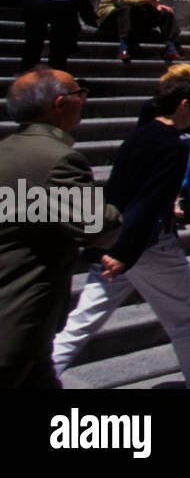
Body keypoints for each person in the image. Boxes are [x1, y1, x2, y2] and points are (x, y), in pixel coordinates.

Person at [52, 75, 190, 388]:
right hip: (148, 246)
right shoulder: (173, 148)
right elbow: (149, 202)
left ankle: (35, 375)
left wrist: (111, 246)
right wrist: (124, 253)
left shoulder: (138, 136)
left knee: (81, 321)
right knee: (188, 320)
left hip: (113, 241)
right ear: (184, 105)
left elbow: (120, 192)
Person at [0, 69, 122, 388]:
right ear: (59, 104)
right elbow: (99, 227)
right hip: (20, 311)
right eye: (78, 93)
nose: (82, 100)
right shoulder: (60, 160)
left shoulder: (7, 150)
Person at [138, 65, 190, 227]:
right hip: (154, 152)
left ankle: (178, 200)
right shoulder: (151, 106)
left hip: (178, 149)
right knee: (189, 147)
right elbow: (143, 136)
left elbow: (186, 131)